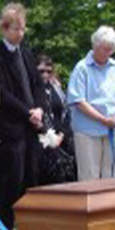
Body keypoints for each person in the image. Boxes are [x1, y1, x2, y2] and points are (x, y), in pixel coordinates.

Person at [0, 3, 46, 230]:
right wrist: (27, 112)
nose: (20, 34)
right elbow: (2, 93)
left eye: (22, 29)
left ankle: (28, 220)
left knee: (31, 175)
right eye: (15, 29)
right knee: (10, 177)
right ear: (3, 28)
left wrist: (39, 108)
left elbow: (39, 85)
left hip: (31, 126)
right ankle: (5, 223)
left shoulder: (27, 54)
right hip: (10, 127)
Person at [66, 26, 115, 181]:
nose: (107, 53)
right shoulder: (81, 68)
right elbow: (78, 101)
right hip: (88, 131)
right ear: (95, 45)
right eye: (104, 49)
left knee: (112, 174)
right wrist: (103, 120)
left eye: (111, 50)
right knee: (89, 175)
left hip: (114, 130)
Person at [37, 54, 76, 184]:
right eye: (41, 71)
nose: (45, 75)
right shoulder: (32, 89)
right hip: (43, 141)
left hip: (62, 140)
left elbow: (66, 112)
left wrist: (61, 135)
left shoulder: (56, 88)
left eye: (49, 71)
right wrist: (49, 135)